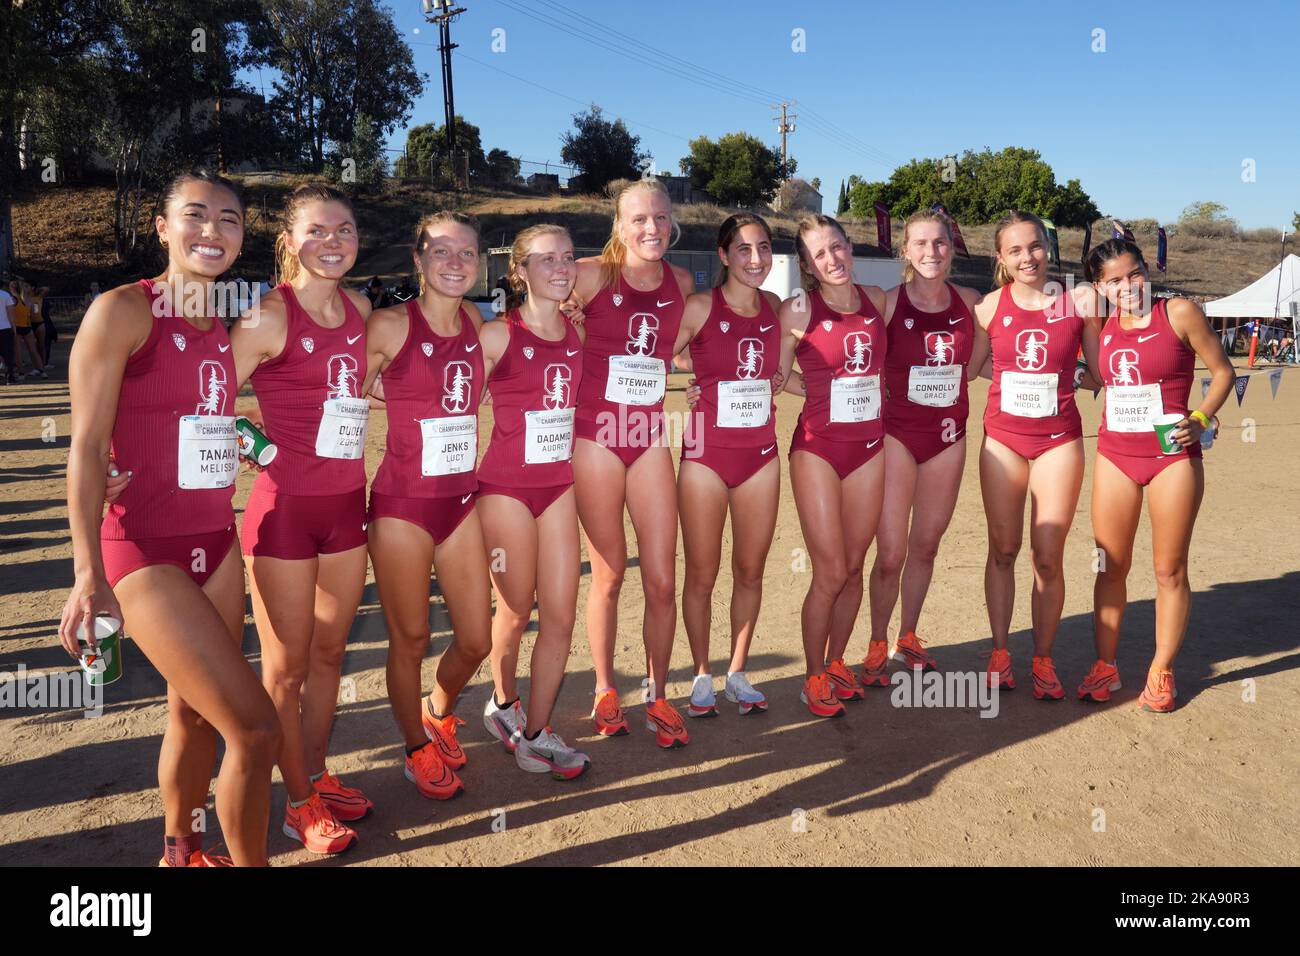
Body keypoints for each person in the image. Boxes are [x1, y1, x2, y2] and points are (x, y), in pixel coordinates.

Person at [61, 170, 281, 867]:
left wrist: (228, 442)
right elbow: (88, 447)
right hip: (141, 548)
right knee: (254, 729)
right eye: (195, 216)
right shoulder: (123, 310)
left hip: (214, 541)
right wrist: (86, 574)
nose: (212, 231)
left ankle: (181, 848)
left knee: (193, 713)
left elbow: (186, 415)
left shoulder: (218, 324)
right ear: (162, 228)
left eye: (229, 220)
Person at [234, 184, 374, 853]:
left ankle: (315, 773)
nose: (334, 242)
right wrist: (257, 448)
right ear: (289, 241)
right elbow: (202, 397)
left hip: (348, 506)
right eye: (318, 231)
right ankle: (295, 802)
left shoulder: (363, 309)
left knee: (329, 655)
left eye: (344, 230)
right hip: (284, 511)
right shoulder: (266, 315)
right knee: (285, 667)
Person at [364, 211, 492, 800]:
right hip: (401, 506)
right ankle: (415, 744)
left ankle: (439, 712)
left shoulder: (473, 319)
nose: (455, 262)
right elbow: (329, 391)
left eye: (467, 253)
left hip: (461, 502)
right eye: (441, 251)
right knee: (410, 639)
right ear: (418, 260)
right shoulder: (388, 325)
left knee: (476, 639)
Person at [568, 178, 694, 748]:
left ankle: (659, 692)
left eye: (661, 218)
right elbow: (545, 324)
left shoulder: (683, 282)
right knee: (611, 573)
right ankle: (603, 688)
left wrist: (708, 385)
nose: (652, 229)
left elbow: (688, 345)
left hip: (647, 435)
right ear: (619, 225)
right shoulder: (590, 274)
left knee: (663, 578)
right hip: (594, 437)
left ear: (673, 222)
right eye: (639, 219)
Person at [1083, 238, 1234, 712]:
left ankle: (1161, 669)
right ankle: (1104, 665)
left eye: (1134, 274)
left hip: (1172, 455)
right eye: (1114, 280)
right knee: (1110, 565)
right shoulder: (1101, 324)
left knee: (1169, 569)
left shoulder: (1180, 312)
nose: (1127, 287)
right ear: (1099, 287)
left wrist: (1203, 418)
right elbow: (1097, 377)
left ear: (1147, 270)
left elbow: (1224, 371)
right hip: (1114, 455)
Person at [476, 224, 590, 778]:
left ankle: (538, 734)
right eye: (546, 259)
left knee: (562, 616)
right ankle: (502, 703)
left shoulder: (576, 332)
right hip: (504, 489)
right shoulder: (496, 335)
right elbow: (443, 399)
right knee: (517, 608)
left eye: (567, 257)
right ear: (519, 271)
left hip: (559, 486)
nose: (561, 267)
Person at [972, 211, 1099, 698]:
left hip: (1059, 443)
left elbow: (1099, 374)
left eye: (1036, 246)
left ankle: (1043, 659)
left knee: (1047, 556)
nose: (1029, 257)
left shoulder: (1081, 301)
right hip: (1003, 441)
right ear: (1001, 258)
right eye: (1016, 250)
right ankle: (1001, 654)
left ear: (1049, 247)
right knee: (1002, 551)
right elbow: (974, 368)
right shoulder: (987, 308)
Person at [671, 214, 782, 720]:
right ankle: (700, 673)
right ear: (723, 255)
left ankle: (737, 671)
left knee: (751, 570)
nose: (755, 259)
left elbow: (781, 370)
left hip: (760, 456)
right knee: (701, 573)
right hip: (705, 457)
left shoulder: (777, 308)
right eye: (743, 249)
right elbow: (657, 357)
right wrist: (687, 376)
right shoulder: (699, 306)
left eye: (763, 248)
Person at [866, 210, 983, 679]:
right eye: (921, 244)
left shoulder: (972, 302)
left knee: (926, 547)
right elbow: (851, 359)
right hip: (896, 435)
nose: (931, 252)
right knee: (891, 552)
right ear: (906, 251)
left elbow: (976, 367)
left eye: (939, 243)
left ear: (950, 248)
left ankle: (907, 637)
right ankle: (876, 640)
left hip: (948, 438)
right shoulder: (888, 303)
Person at [783, 215, 891, 717]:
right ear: (807, 265)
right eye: (820, 254)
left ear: (850, 247)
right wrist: (806, 388)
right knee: (827, 571)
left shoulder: (880, 300)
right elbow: (770, 372)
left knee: (852, 567)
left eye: (838, 247)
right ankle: (811, 677)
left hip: (869, 447)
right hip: (817, 448)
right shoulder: (798, 311)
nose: (833, 259)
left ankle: (837, 662)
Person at [10, 280, 46, 378]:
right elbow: (34, 313)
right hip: (27, 327)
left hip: (17, 328)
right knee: (33, 350)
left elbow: (11, 315)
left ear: (12, 289)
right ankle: (42, 371)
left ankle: (21, 373)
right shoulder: (28, 299)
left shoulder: (12, 299)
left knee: (18, 352)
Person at [0, 282, 17, 384]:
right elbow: (11, 314)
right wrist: (14, 328)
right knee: (8, 353)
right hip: (5, 327)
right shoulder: (5, 295)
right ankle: (10, 377)